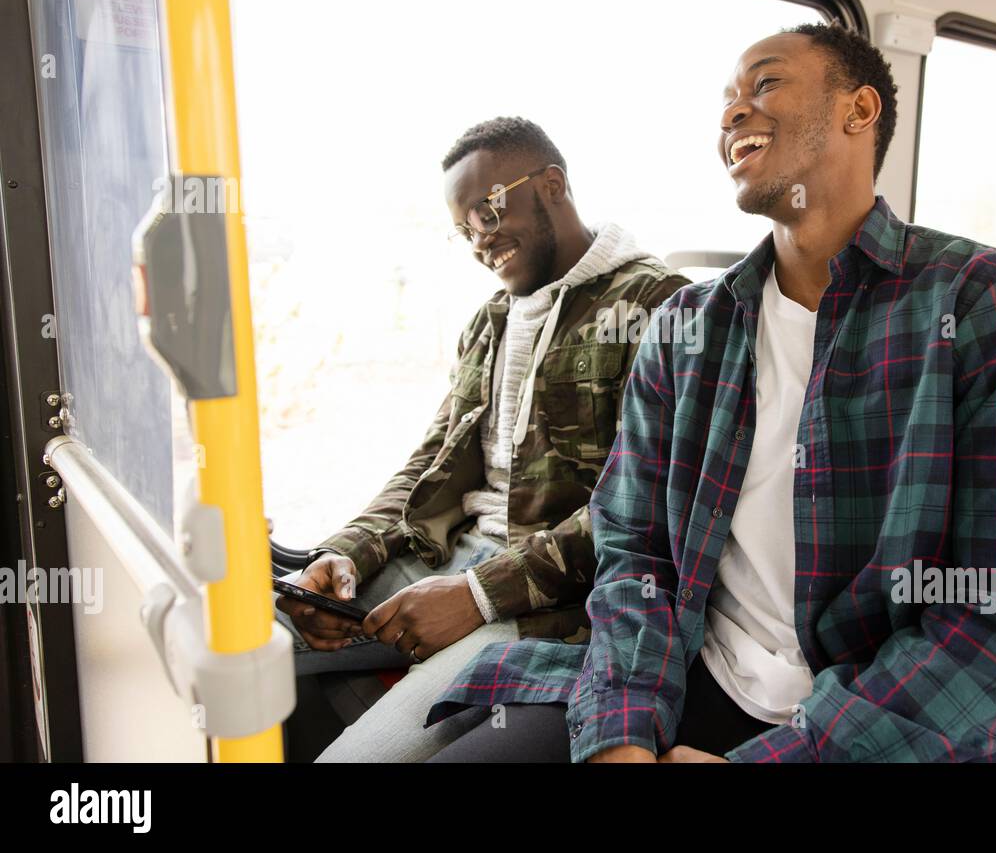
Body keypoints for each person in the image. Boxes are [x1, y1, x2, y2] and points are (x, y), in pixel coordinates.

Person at [420, 23, 996, 763]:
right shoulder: (686, 328)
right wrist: (622, 728)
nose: (733, 112)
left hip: (885, 725)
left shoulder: (994, 307)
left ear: (859, 110)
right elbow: (637, 554)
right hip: (692, 679)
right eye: (727, 101)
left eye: (765, 84)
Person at [274, 116, 689, 761]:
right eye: (464, 228)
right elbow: (429, 464)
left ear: (552, 185)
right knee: (245, 637)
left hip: (548, 604)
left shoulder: (658, 307)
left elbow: (644, 511)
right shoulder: (491, 320)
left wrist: (476, 596)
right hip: (444, 556)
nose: (479, 239)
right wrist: (344, 554)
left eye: (487, 211)